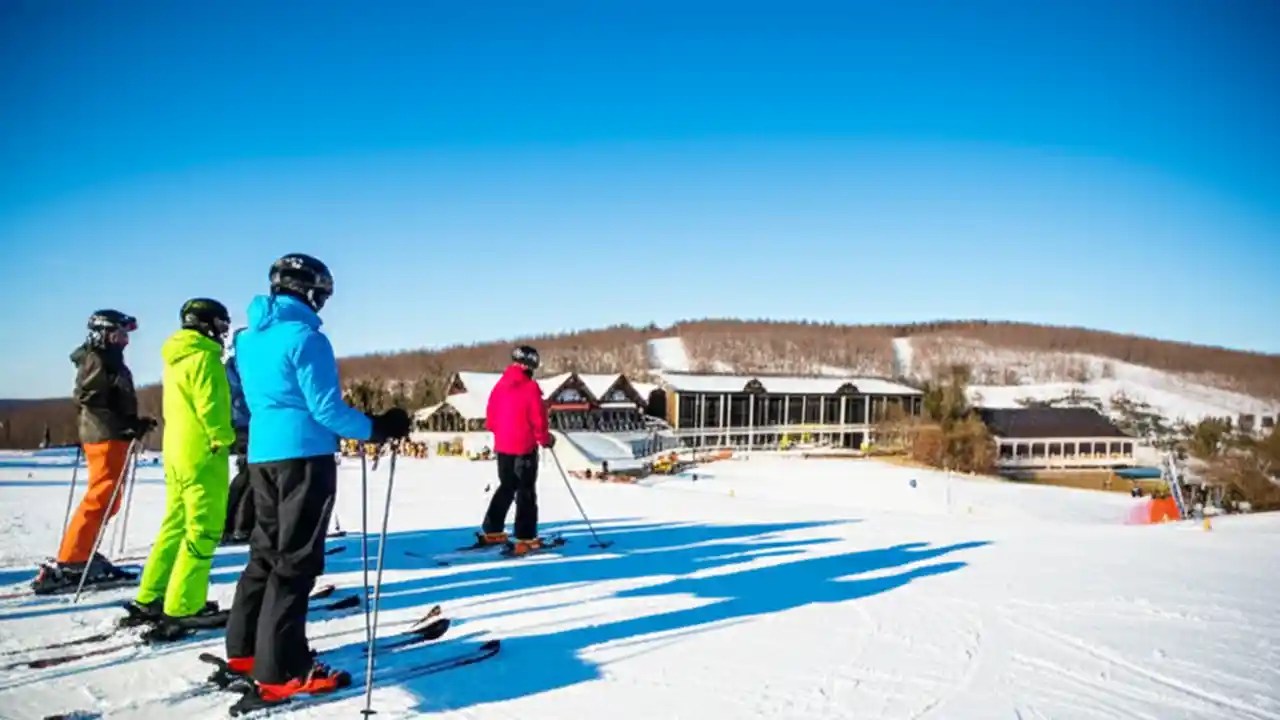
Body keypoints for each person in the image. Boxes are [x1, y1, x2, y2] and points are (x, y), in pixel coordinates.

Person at [224, 253, 411, 711]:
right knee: (297, 561)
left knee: (266, 553)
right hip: (304, 456)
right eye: (322, 293)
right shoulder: (306, 339)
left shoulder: (248, 339)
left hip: (262, 456)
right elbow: (326, 410)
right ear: (310, 291)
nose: (323, 302)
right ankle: (282, 669)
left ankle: (245, 649)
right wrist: (378, 427)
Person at [123, 299, 237, 638]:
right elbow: (212, 406)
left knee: (175, 523)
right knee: (203, 529)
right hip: (202, 452)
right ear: (207, 324)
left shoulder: (177, 357)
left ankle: (152, 594)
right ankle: (185, 605)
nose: (223, 333)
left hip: (176, 452)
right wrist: (226, 437)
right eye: (221, 326)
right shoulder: (204, 358)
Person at [32, 310, 156, 594]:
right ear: (104, 333)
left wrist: (132, 422)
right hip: (105, 436)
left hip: (111, 433)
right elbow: (88, 398)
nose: (125, 340)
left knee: (109, 499)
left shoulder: (108, 357)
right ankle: (73, 559)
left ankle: (82, 551)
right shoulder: (98, 358)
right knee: (101, 497)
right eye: (120, 334)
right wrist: (123, 424)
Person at [476, 345, 555, 556]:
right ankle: (525, 536)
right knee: (525, 491)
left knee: (507, 486)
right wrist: (545, 439)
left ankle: (492, 529)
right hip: (524, 447)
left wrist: (503, 433)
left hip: (503, 447)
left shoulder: (499, 386)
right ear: (531, 365)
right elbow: (538, 420)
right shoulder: (530, 388)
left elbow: (490, 421)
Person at [222, 328, 254, 544]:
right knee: (250, 474)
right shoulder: (237, 365)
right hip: (243, 424)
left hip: (248, 423)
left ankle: (238, 524)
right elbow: (237, 393)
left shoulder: (242, 364)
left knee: (249, 474)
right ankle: (238, 525)